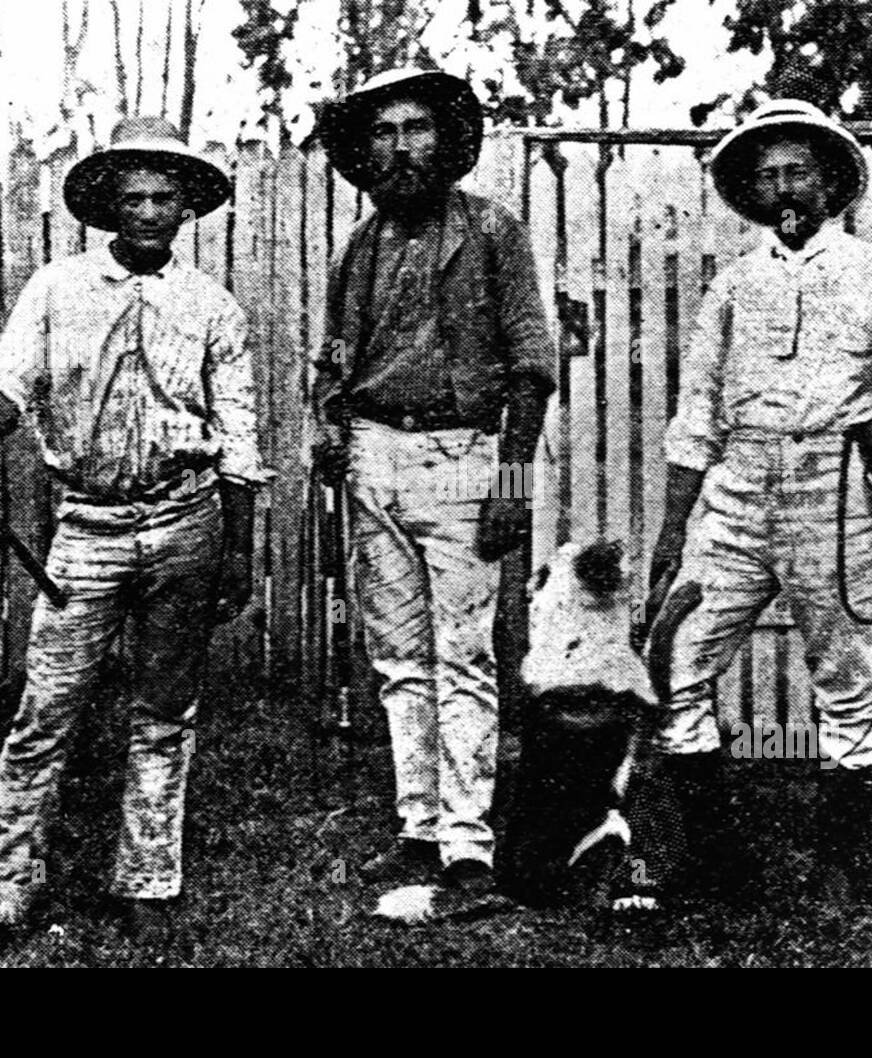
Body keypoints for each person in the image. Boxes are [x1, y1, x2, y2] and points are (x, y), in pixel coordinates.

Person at [629, 99, 872, 910]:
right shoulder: (734, 285)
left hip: (834, 489)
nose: (785, 189)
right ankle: (715, 861)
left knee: (844, 674)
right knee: (678, 662)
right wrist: (674, 536)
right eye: (768, 175)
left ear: (832, 182)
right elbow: (697, 411)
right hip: (737, 491)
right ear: (750, 189)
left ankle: (839, 863)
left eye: (798, 172)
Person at [0, 116, 268, 958]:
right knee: (46, 710)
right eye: (134, 196)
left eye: (165, 196)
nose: (149, 211)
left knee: (164, 710)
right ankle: (2, 890)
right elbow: (6, 388)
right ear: (108, 204)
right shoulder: (55, 290)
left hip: (187, 520)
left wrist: (238, 551)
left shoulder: (212, 306)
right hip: (87, 528)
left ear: (188, 206)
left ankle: (147, 879)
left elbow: (241, 438)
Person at [313, 67, 555, 896]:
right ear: (364, 149)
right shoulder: (360, 244)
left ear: (445, 140)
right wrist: (330, 429)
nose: (401, 146)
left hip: (464, 461)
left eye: (416, 128)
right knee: (398, 661)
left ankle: (468, 843)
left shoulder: (492, 231)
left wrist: (513, 481)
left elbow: (531, 367)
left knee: (465, 656)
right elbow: (337, 360)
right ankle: (417, 829)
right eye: (383, 132)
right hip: (376, 457)